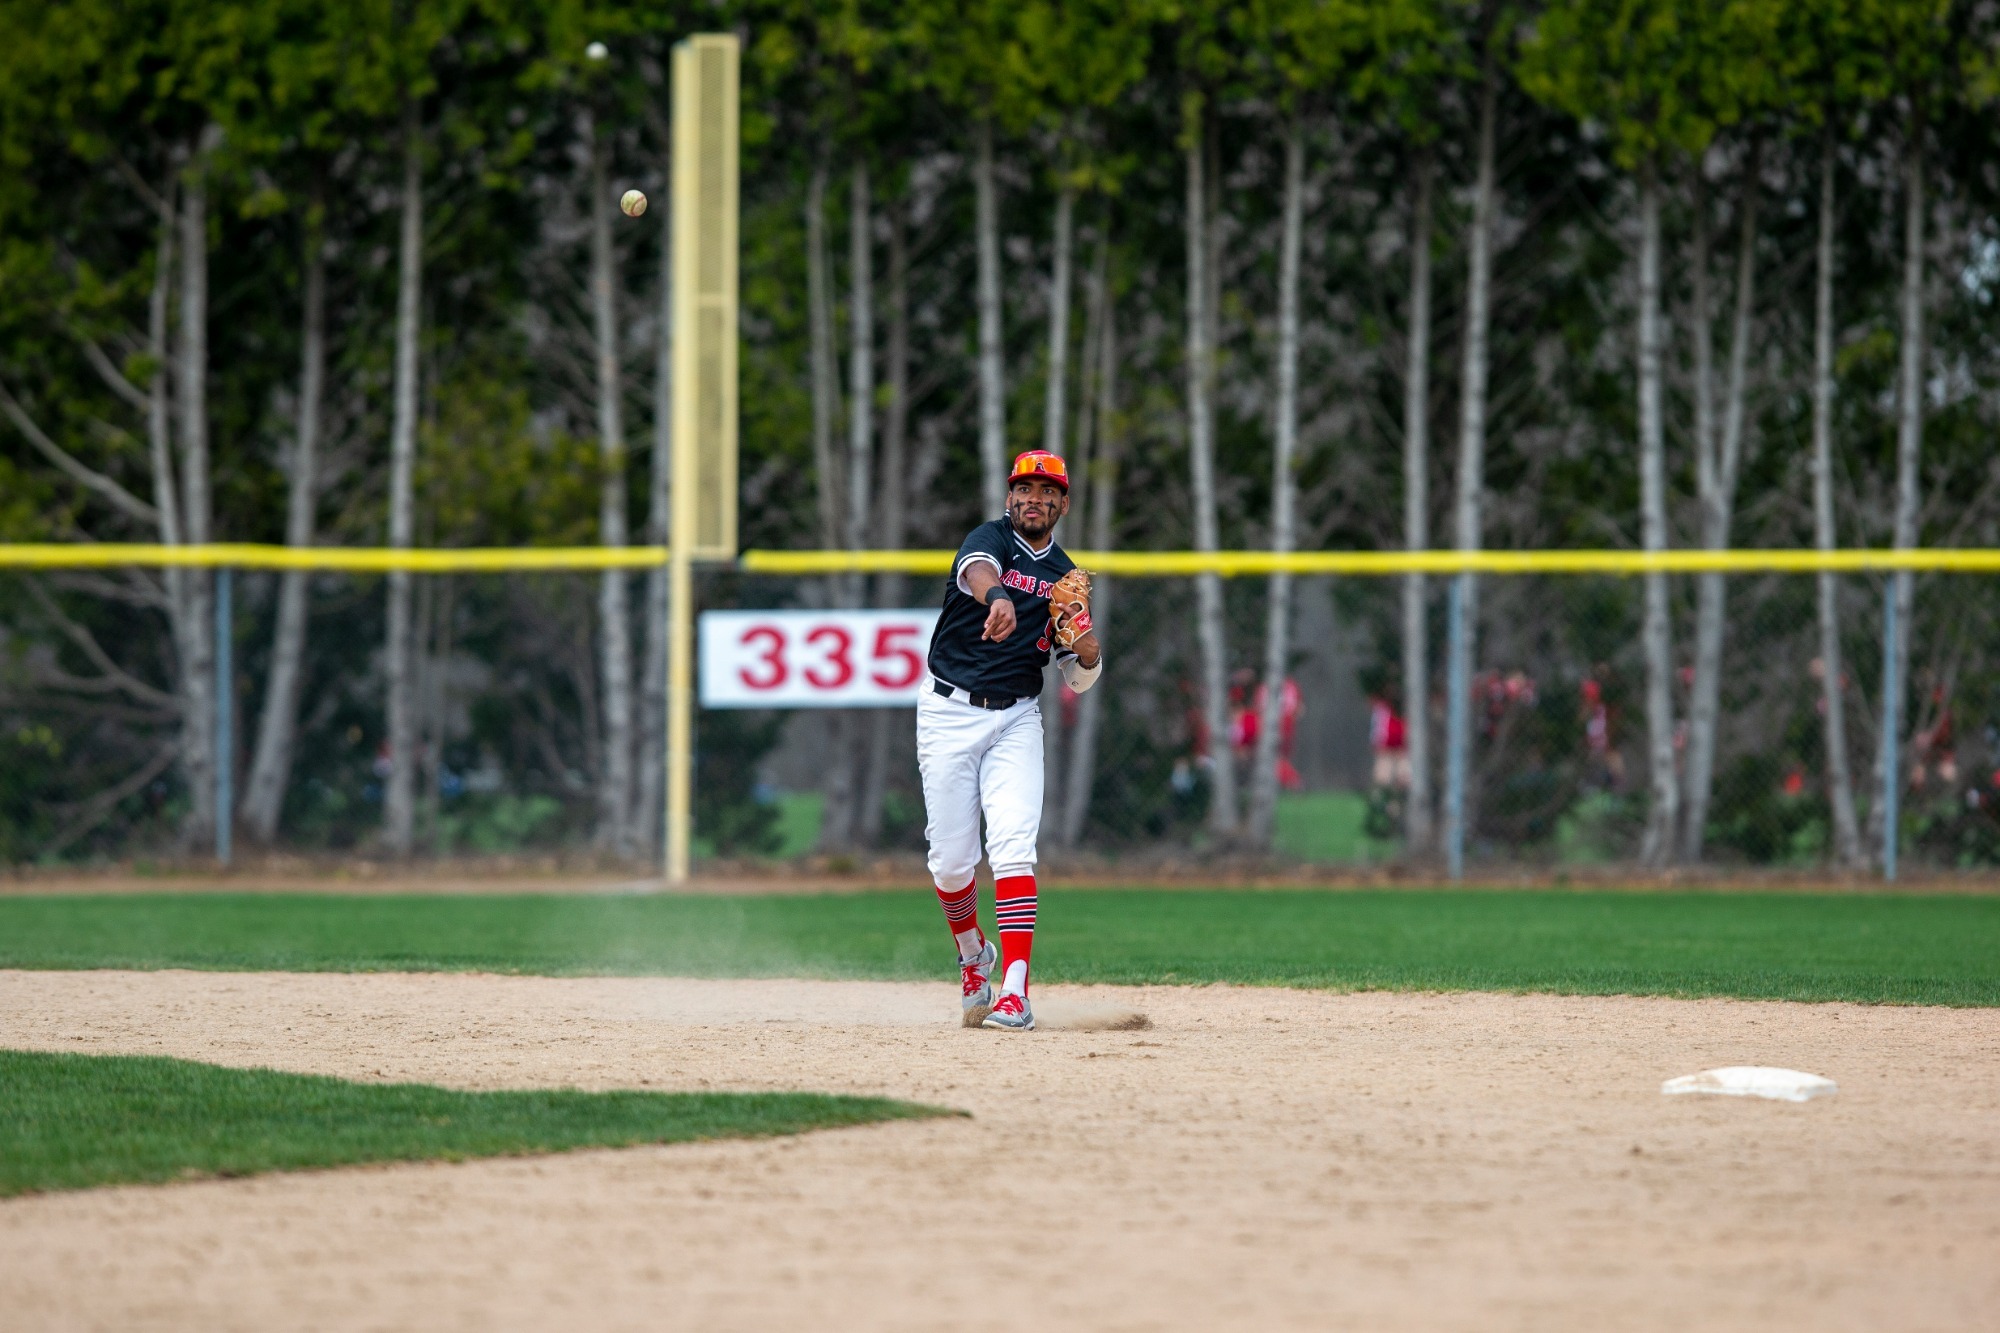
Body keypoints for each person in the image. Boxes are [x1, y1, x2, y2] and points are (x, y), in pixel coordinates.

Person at [918, 449, 1103, 1031]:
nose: (1035, 498)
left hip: (1017, 718)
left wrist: (1088, 642)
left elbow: (1079, 674)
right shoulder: (989, 540)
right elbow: (978, 572)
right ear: (1009, 497)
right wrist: (996, 596)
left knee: (1014, 849)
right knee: (950, 863)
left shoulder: (1065, 576)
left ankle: (1015, 993)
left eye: (1048, 491)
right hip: (948, 710)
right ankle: (975, 956)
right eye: (1025, 488)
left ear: (1063, 504)